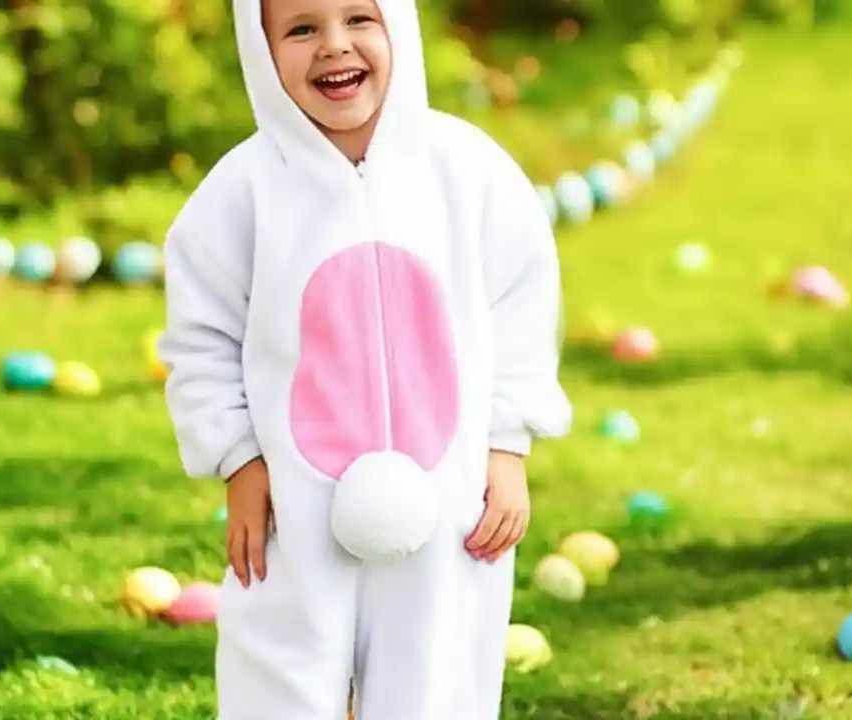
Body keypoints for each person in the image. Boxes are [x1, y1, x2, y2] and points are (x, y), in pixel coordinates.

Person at [156, 0, 572, 716]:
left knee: (436, 663)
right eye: (301, 29)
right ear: (259, 47)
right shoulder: (241, 192)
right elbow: (202, 337)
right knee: (282, 658)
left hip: (450, 498)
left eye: (358, 19)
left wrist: (506, 443)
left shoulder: (467, 172)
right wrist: (238, 457)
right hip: (296, 499)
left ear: (398, 27)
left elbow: (522, 309)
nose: (333, 46)